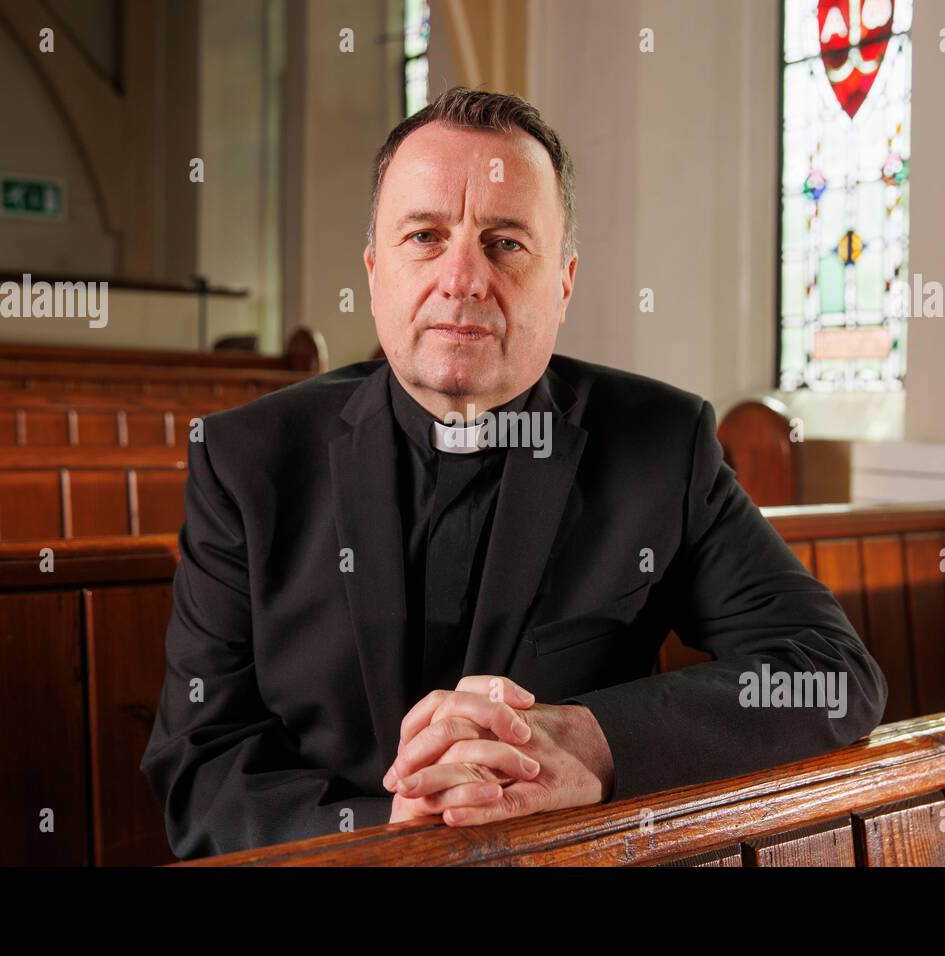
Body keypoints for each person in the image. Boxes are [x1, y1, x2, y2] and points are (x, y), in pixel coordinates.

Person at [140, 87, 887, 860]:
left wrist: (590, 741)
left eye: (504, 243)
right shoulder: (248, 461)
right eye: (425, 236)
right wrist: (388, 832)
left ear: (563, 283)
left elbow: (830, 677)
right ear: (373, 272)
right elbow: (201, 762)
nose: (462, 277)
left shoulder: (662, 445)